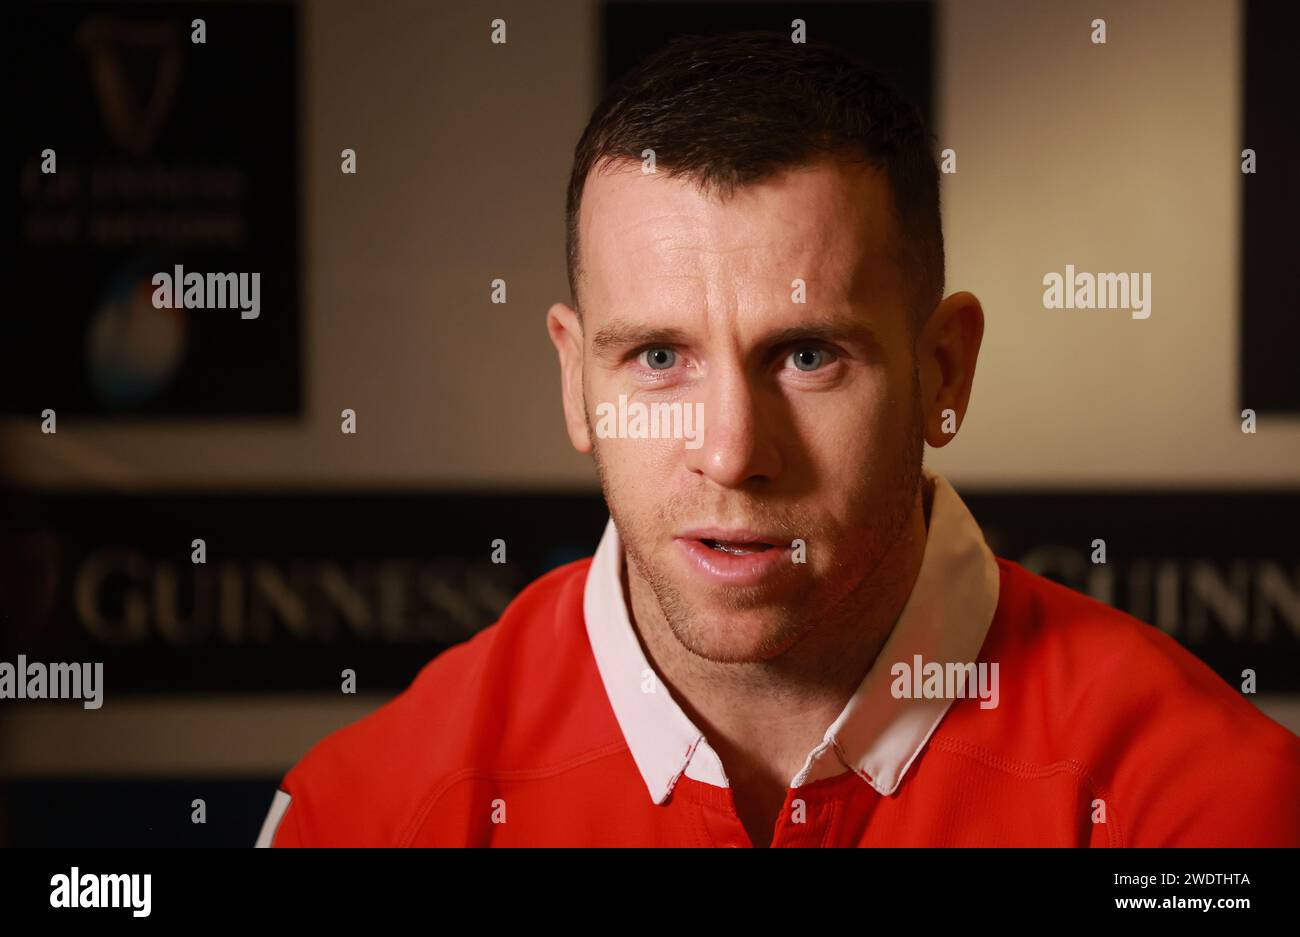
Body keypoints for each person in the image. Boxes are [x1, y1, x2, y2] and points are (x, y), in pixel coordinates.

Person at [256, 31, 1300, 848]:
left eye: (805, 356)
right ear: (575, 382)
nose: (731, 451)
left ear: (944, 372)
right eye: (658, 357)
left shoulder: (1207, 808)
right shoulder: (367, 815)